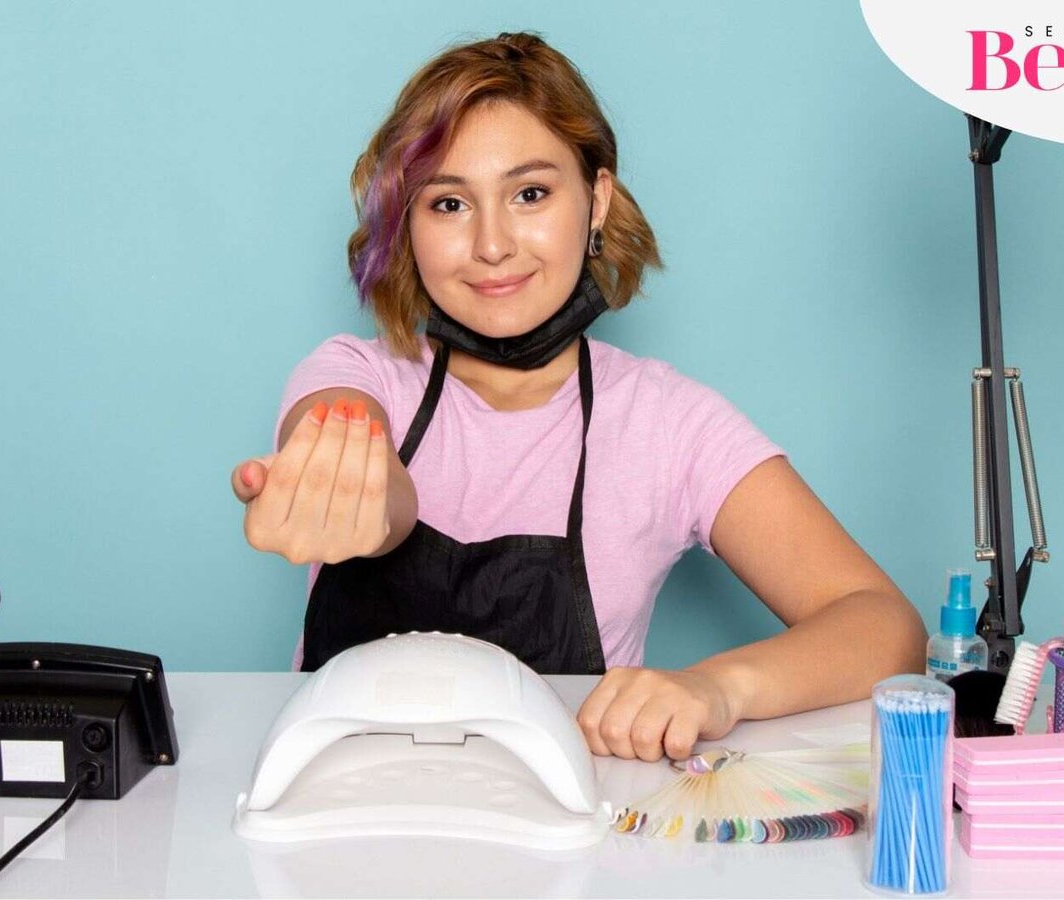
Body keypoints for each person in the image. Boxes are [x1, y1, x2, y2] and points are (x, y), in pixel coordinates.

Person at [230, 32, 925, 762]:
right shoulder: (356, 375)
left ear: (596, 200)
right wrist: (340, 491)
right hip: (337, 819)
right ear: (409, 223)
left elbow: (883, 624)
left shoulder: (668, 423)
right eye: (448, 203)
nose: (493, 244)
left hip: (567, 841)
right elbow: (381, 498)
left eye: (530, 194)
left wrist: (717, 688)